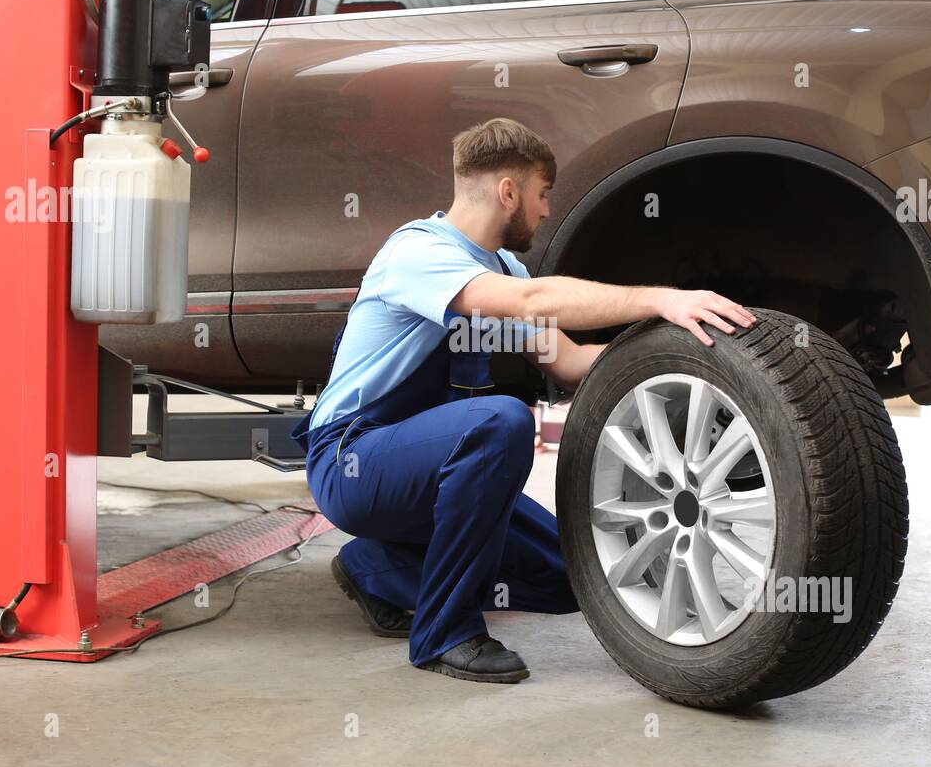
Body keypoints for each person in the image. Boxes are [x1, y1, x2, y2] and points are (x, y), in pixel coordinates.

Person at [293, 118, 755, 683]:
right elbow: (531, 298)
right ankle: (446, 634)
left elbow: (569, 361)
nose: (543, 211)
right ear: (508, 191)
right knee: (499, 422)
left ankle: (377, 565)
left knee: (578, 577)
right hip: (354, 461)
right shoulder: (418, 252)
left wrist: (676, 354)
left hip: (431, 465)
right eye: (541, 195)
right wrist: (659, 297)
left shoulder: (503, 267)